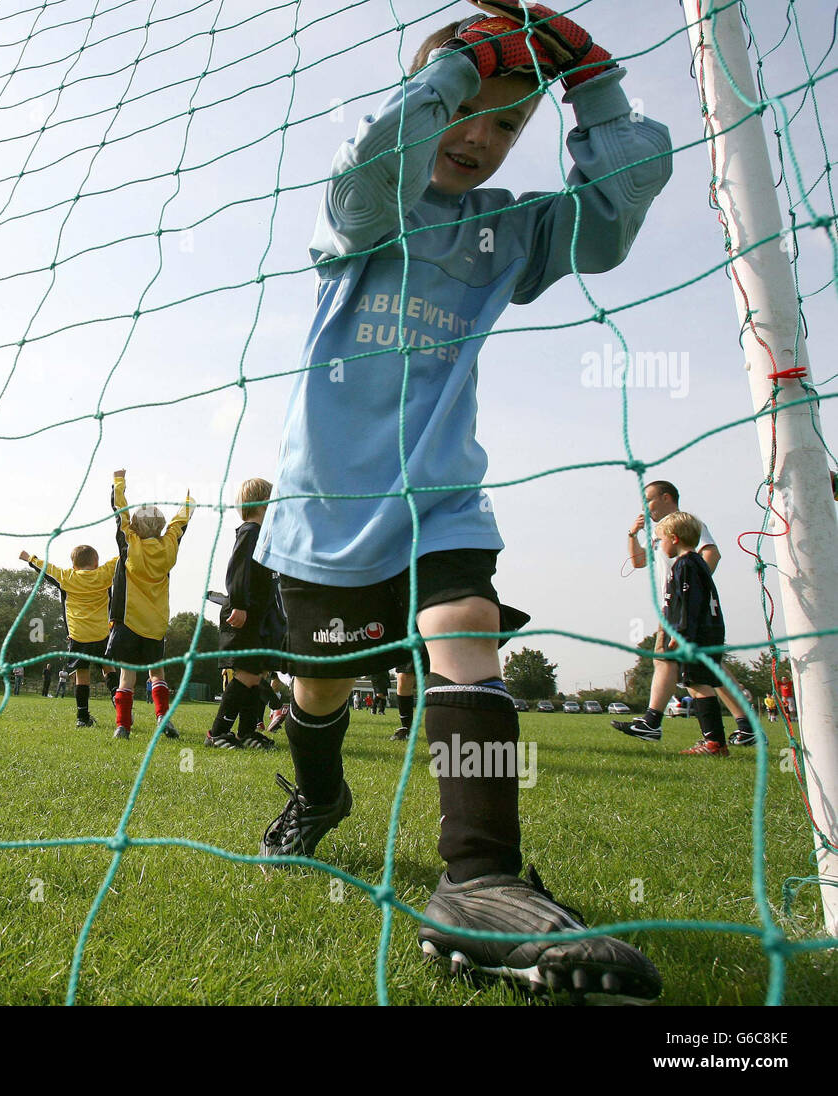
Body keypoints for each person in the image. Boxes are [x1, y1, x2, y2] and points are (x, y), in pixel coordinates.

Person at [251, 6, 670, 1001]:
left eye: (505, 126)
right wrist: (454, 70)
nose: (479, 140)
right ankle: (317, 795)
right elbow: (367, 172)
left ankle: (478, 875)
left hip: (443, 498)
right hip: (329, 511)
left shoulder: (506, 229)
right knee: (321, 693)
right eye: (463, 111)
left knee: (467, 628)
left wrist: (594, 83)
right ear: (422, 97)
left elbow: (613, 216)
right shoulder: (361, 211)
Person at [614, 479, 757, 746]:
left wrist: (693, 591)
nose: (646, 505)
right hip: (674, 606)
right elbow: (638, 562)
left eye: (650, 499)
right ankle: (746, 724)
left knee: (670, 661)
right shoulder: (658, 532)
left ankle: (652, 721)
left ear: (667, 498)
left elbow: (711, 553)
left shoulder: (686, 524)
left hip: (682, 608)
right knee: (706, 670)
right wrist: (632, 535)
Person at [106, 469, 193, 739]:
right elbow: (181, 523)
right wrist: (189, 500)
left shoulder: (130, 545)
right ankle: (163, 718)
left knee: (126, 676)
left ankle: (123, 725)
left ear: (134, 527)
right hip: (156, 625)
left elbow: (119, 513)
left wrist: (118, 483)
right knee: (157, 674)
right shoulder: (169, 546)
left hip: (128, 622)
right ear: (160, 527)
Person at [207, 478, 284, 750]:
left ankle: (248, 732)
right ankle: (218, 732)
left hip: (261, 618)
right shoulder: (250, 531)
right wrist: (238, 603)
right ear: (264, 502)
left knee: (259, 674)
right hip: (244, 613)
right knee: (247, 673)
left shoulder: (266, 536)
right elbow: (238, 568)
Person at [649, 513, 731, 756]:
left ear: (674, 539)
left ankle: (714, 744)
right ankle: (714, 742)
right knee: (696, 683)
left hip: (697, 634)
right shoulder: (697, 564)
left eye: (661, 540)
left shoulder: (685, 565)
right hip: (707, 631)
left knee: (697, 682)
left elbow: (690, 604)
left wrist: (681, 634)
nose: (661, 546)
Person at [21, 543, 118, 727]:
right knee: (107, 666)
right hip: (102, 633)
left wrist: (29, 559)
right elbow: (123, 555)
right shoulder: (105, 574)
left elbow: (47, 569)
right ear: (96, 563)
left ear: (74, 565)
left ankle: (82, 718)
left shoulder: (67, 577)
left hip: (78, 635)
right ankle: (116, 696)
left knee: (82, 673)